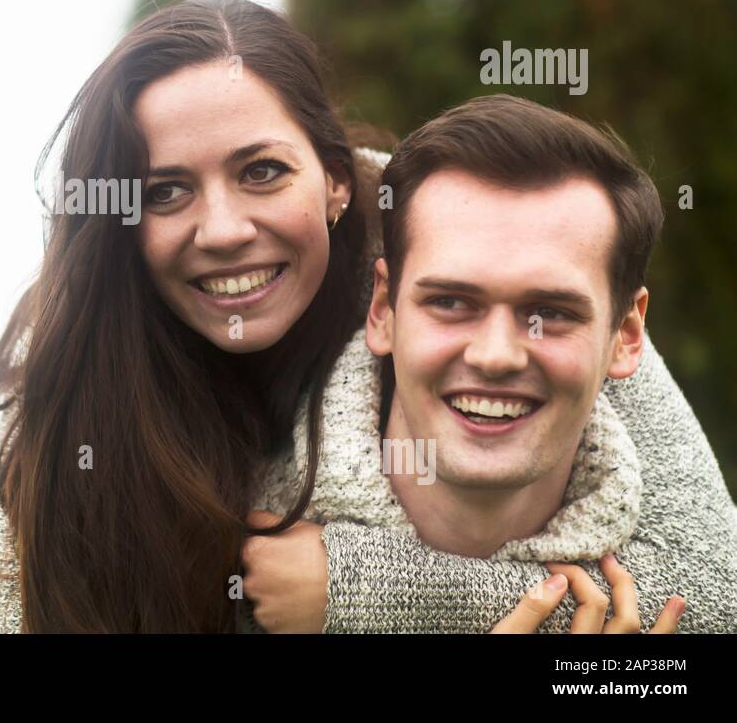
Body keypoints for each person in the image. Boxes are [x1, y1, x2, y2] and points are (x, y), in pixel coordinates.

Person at [0, 0, 731, 633]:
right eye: (165, 191)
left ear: (337, 180)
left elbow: (712, 581)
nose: (223, 230)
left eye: (261, 172)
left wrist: (365, 590)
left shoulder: (465, 247)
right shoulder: (70, 364)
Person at [239, 96, 737, 633]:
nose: (495, 356)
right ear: (382, 309)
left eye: (551, 312)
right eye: (451, 302)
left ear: (627, 336)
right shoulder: (217, 549)